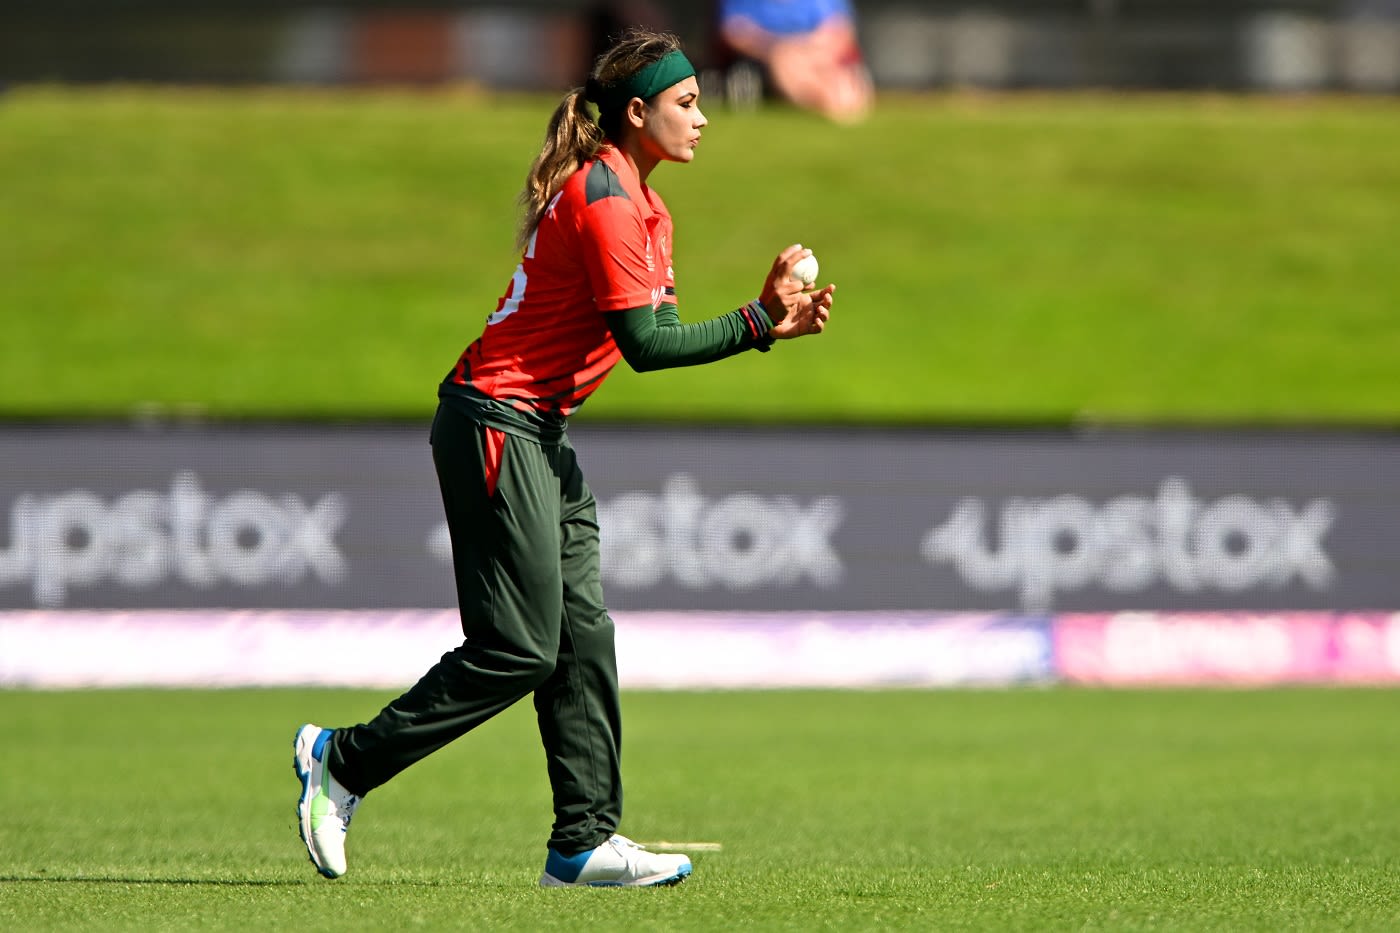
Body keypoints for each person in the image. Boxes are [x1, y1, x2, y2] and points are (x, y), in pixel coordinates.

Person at [293, 27, 834, 889]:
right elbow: (650, 346)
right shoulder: (608, 201)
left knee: (582, 637)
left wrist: (767, 322)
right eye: (686, 103)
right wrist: (761, 322)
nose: (702, 119)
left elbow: (656, 332)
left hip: (541, 430)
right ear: (635, 111)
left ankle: (582, 841)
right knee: (517, 647)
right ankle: (343, 761)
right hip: (494, 422)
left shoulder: (644, 205)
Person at [716, 0, 874, 123]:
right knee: (786, 58)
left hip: (819, 54)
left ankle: (835, 99)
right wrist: (776, 46)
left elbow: (840, 31)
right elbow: (735, 32)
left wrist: (808, 47)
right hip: (771, 58)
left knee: (817, 63)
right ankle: (823, 100)